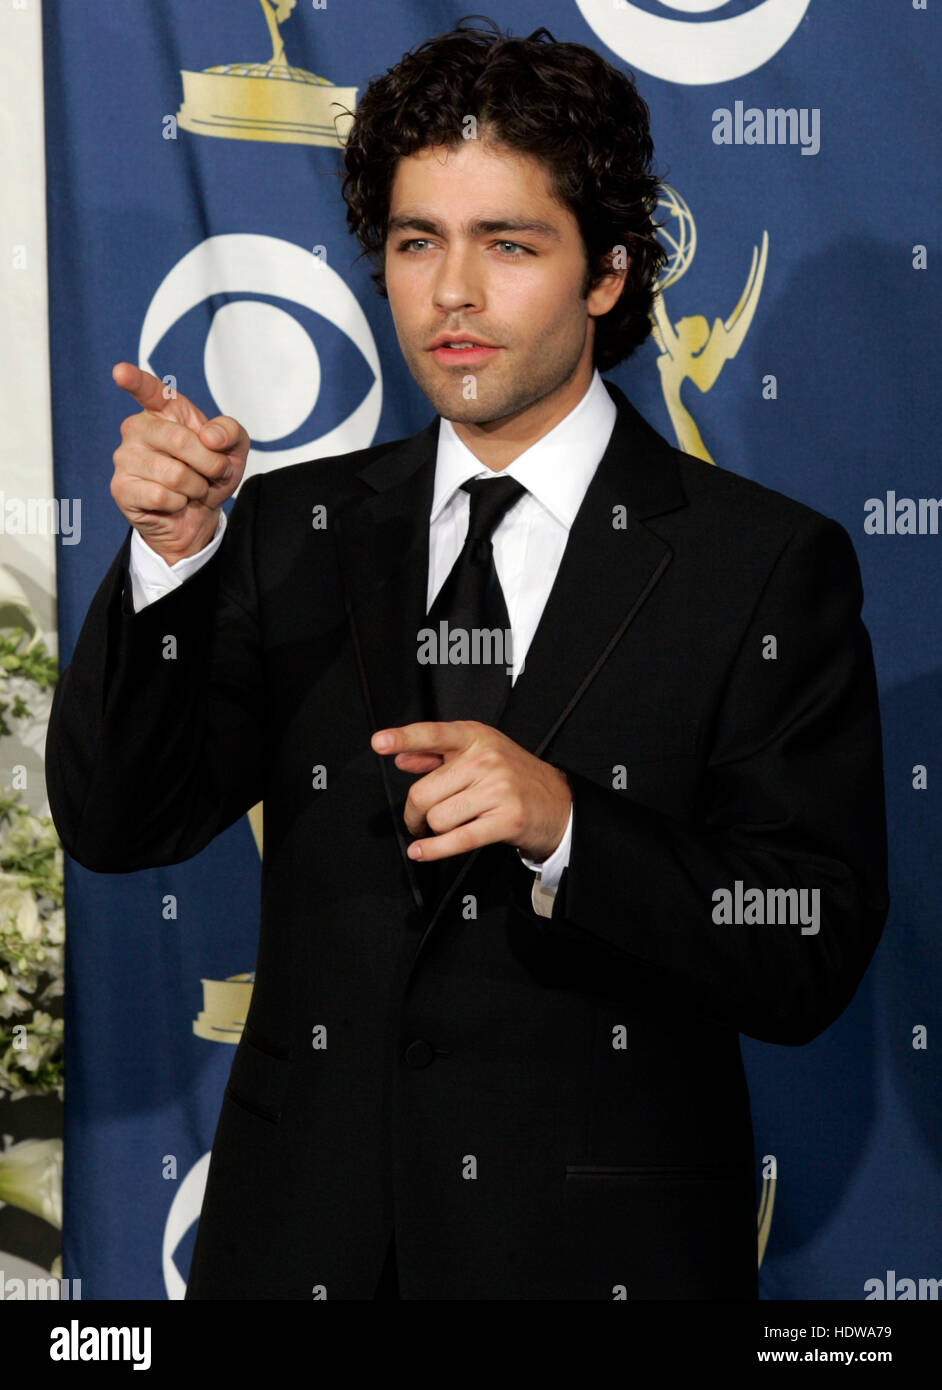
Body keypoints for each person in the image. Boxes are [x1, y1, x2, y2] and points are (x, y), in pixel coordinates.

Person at [46, 18, 889, 1300]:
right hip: (300, 1253)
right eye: (415, 242)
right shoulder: (284, 530)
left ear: (608, 274)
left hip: (598, 1264)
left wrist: (568, 826)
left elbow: (806, 938)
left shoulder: (759, 565)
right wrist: (170, 560)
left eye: (509, 244)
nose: (452, 294)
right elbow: (115, 820)